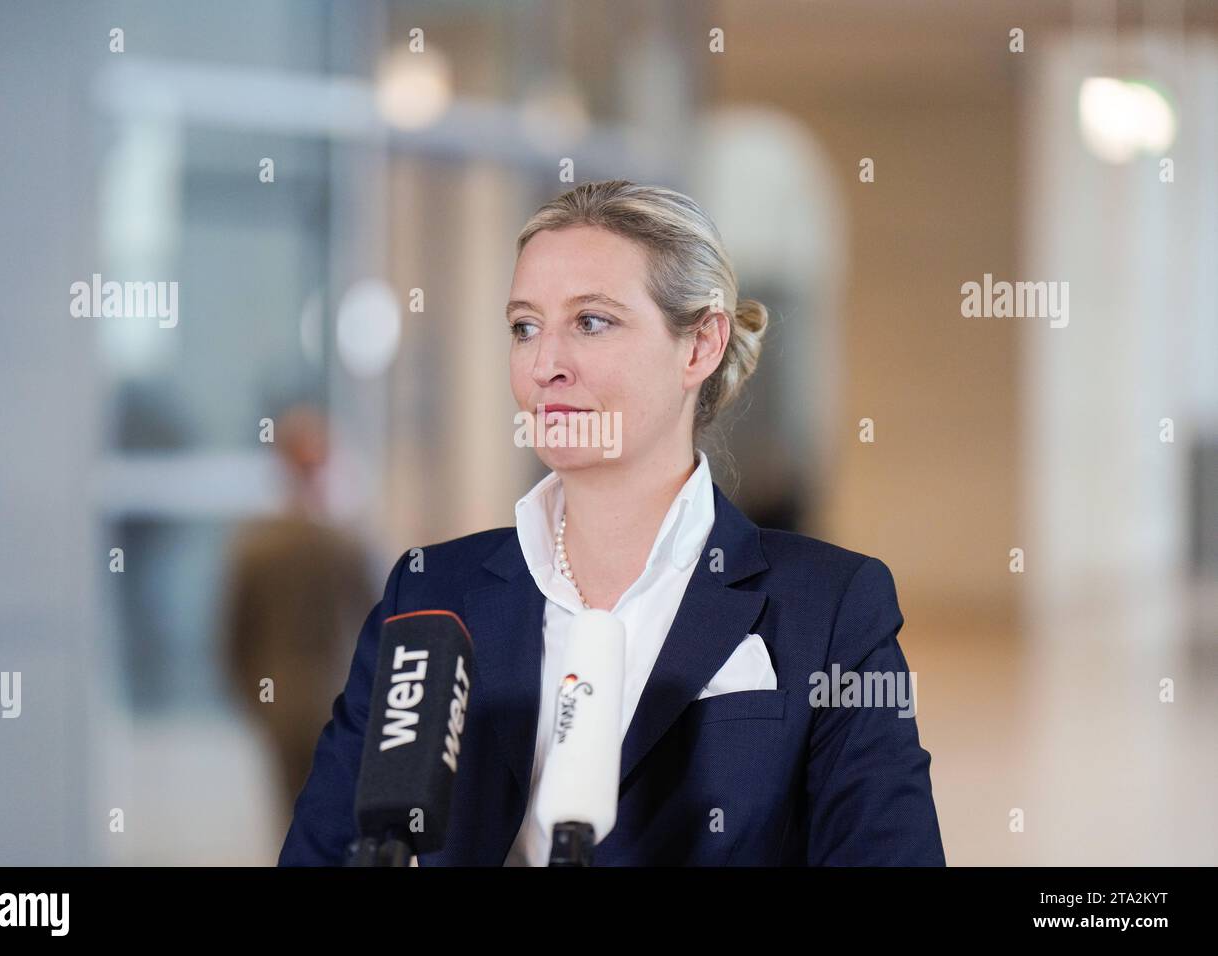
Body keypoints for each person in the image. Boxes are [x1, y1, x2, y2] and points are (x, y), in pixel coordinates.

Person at [279, 180, 946, 866]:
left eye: (591, 322)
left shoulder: (831, 611)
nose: (545, 366)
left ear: (700, 346)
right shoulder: (429, 596)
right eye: (524, 326)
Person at [221, 404, 375, 817]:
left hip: (284, 703)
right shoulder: (344, 543)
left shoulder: (257, 544)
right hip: (338, 699)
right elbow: (377, 621)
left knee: (297, 823)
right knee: (342, 825)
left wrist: (256, 700)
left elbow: (234, 639)